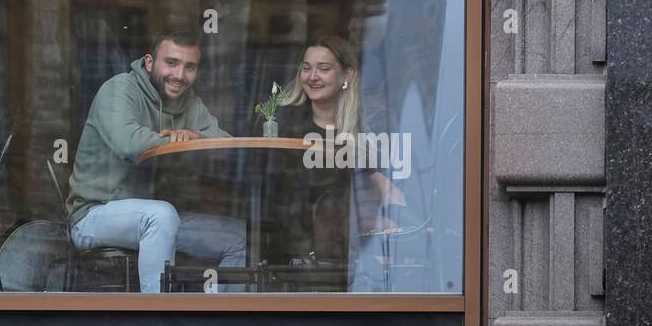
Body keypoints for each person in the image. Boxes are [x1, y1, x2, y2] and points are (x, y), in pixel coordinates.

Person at [66, 29, 246, 293]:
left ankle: (219, 320)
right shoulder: (120, 89)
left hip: (161, 216)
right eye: (171, 63)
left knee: (239, 237)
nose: (180, 75)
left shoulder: (191, 104)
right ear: (150, 62)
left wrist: (194, 136)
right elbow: (129, 143)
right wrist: (176, 141)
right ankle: (159, 319)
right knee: (160, 216)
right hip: (94, 213)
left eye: (190, 67)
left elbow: (225, 144)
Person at [267, 36, 405, 282]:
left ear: (347, 76)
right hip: (296, 258)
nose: (312, 77)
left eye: (324, 69)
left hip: (364, 255)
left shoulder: (368, 126)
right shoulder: (285, 124)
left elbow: (388, 187)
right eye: (306, 68)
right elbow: (279, 197)